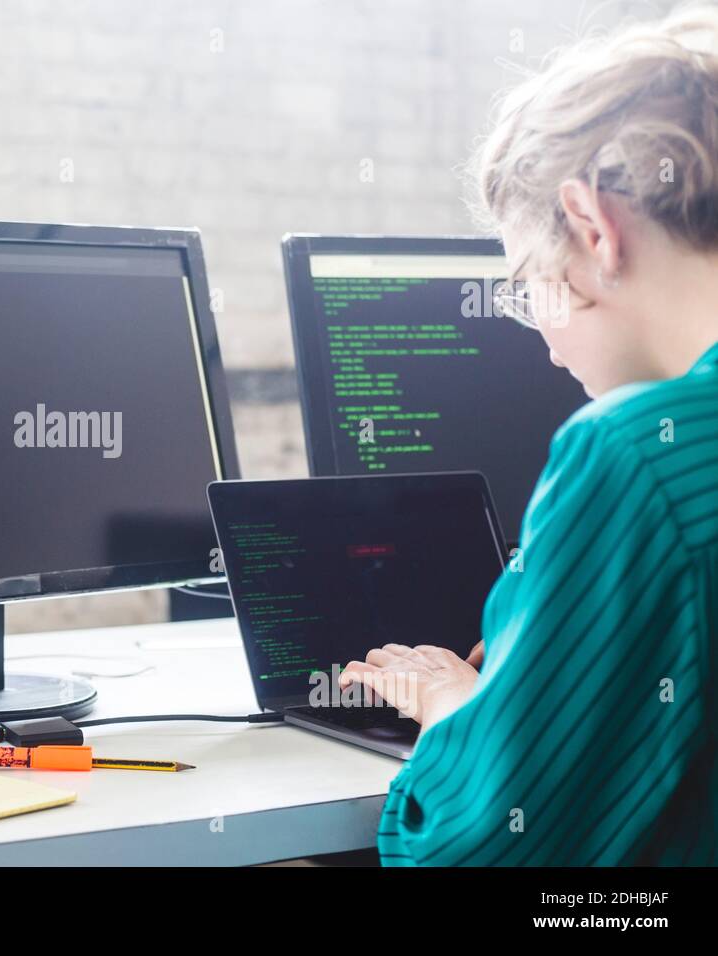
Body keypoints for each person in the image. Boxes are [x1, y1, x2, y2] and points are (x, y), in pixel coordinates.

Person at [339, 5, 718, 865]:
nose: (540, 336)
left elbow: (479, 859)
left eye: (527, 285)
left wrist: (456, 710)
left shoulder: (634, 452)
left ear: (592, 228)